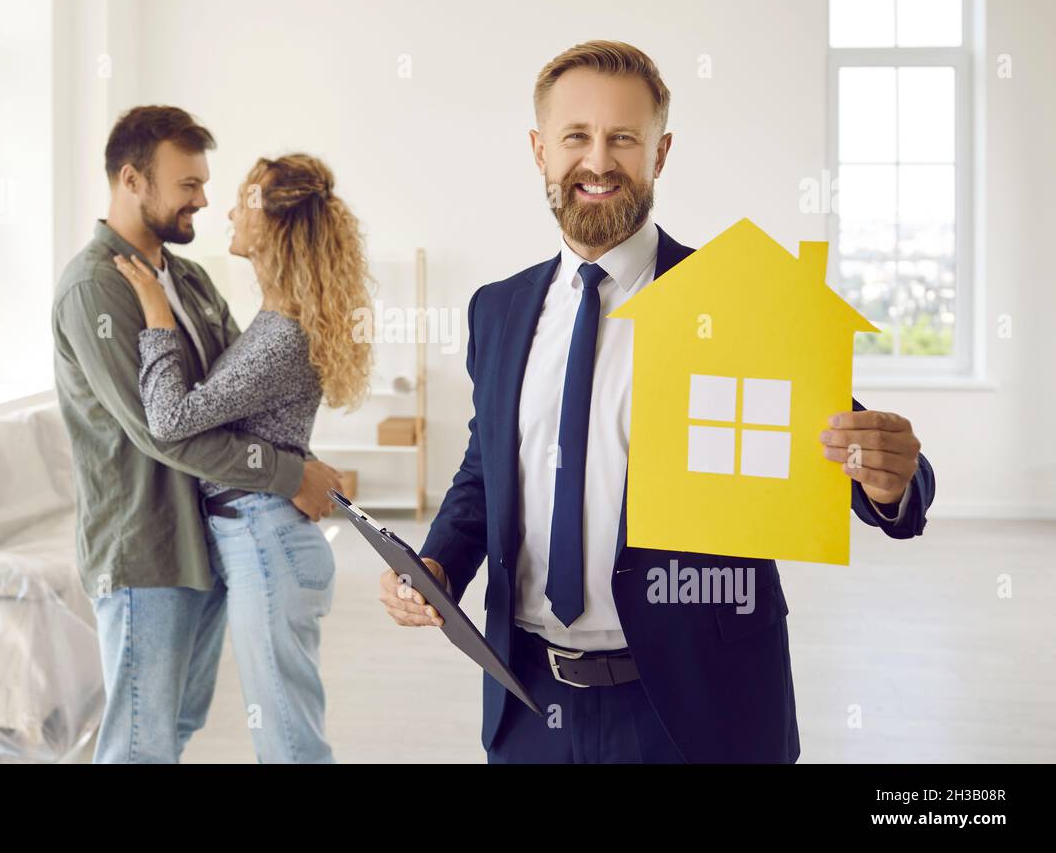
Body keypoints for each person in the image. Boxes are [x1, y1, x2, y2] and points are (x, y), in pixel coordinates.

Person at [378, 40, 936, 763]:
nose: (598, 161)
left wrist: (894, 481)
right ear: (539, 150)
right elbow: (487, 472)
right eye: (576, 136)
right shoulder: (498, 309)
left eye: (624, 139)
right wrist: (438, 566)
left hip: (697, 711)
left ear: (660, 153)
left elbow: (855, 450)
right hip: (529, 705)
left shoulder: (733, 298)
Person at [52, 106, 344, 763]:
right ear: (132, 180)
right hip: (145, 551)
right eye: (188, 185)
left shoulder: (188, 277)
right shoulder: (95, 288)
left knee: (176, 728)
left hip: (205, 543)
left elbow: (232, 403)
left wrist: (294, 457)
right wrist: (288, 474)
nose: (204, 200)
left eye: (205, 183)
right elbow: (164, 432)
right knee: (138, 744)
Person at [113, 152, 373, 763]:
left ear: (275, 225)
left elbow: (172, 420)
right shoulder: (274, 319)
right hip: (264, 537)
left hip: (267, 540)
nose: (226, 211)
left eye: (242, 201)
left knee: (286, 739)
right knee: (286, 730)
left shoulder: (281, 333)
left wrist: (156, 317)